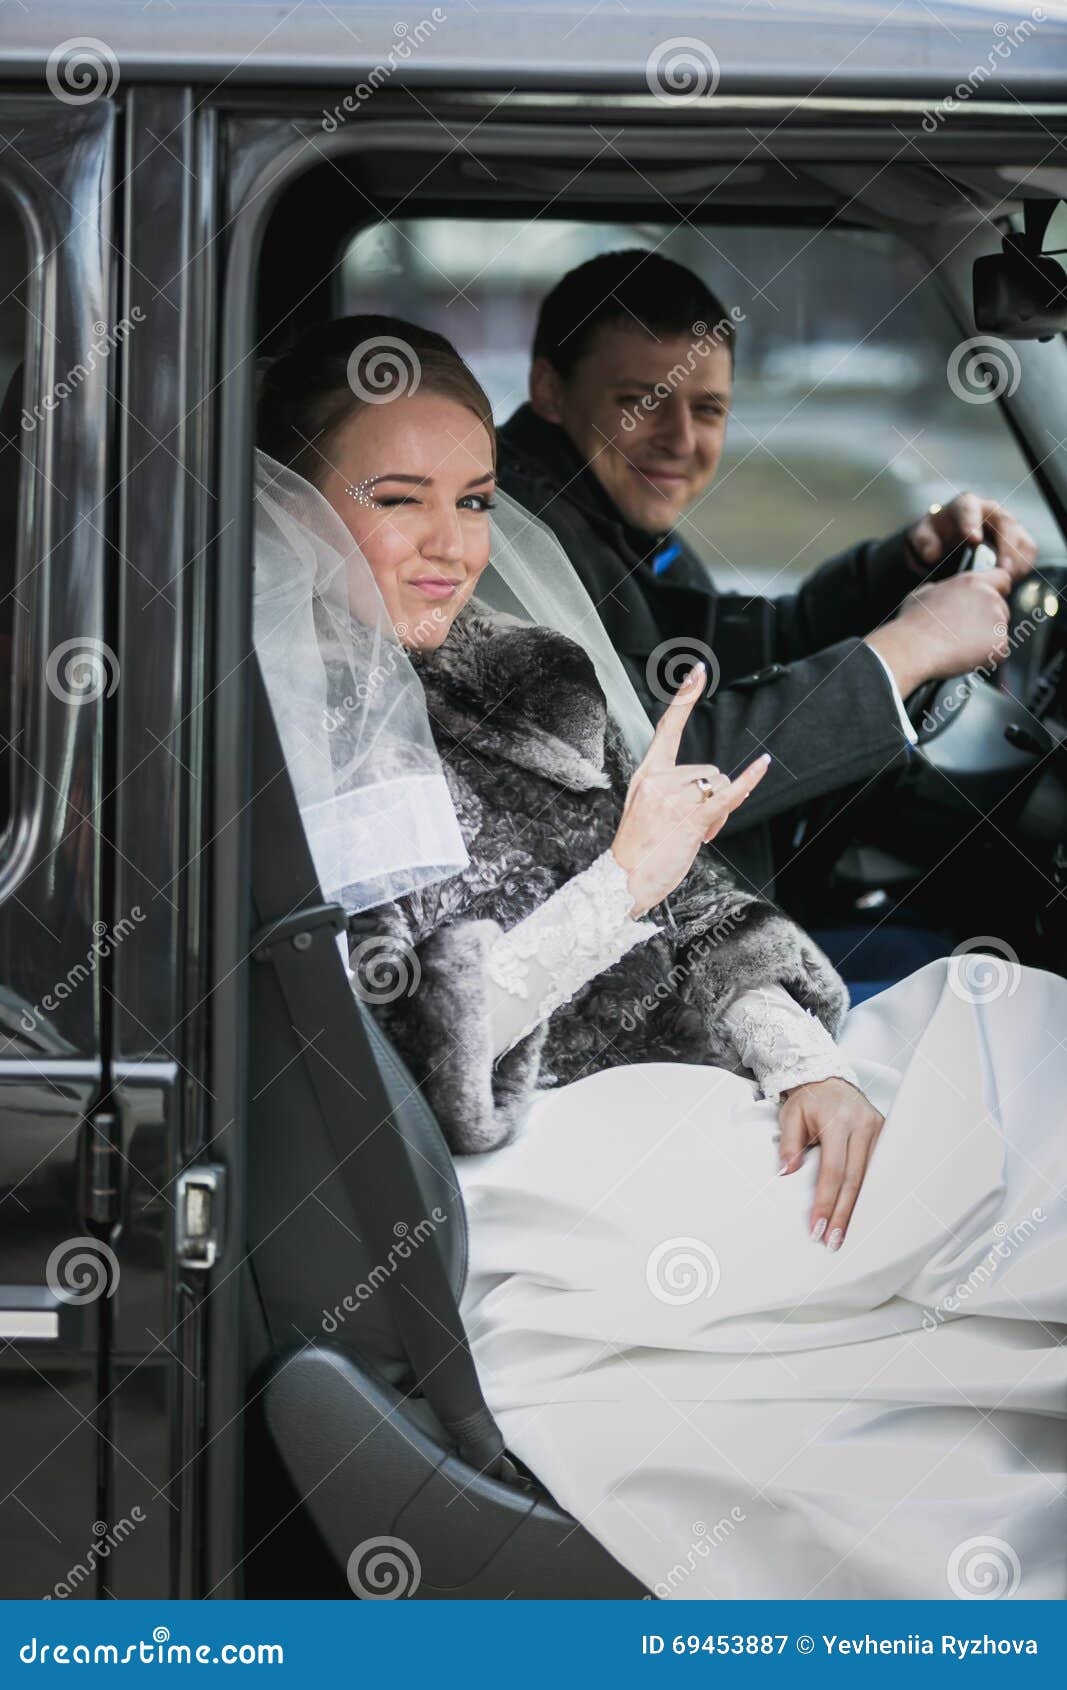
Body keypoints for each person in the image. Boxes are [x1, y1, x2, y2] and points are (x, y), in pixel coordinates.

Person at [254, 315, 1067, 1602]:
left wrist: (797, 1053)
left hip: (683, 1077)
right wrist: (616, 883)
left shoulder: (522, 673)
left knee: (1004, 1035)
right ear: (293, 507)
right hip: (546, 1170)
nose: (453, 544)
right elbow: (432, 1055)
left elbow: (692, 902)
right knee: (1006, 1137)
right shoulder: (301, 758)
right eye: (394, 500)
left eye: (472, 499)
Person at [495, 249, 1039, 900]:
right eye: (642, 401)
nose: (681, 440)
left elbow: (721, 641)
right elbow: (651, 772)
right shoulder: (512, 543)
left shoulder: (594, 507)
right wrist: (905, 653)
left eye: (708, 410)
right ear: (550, 390)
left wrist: (907, 560)